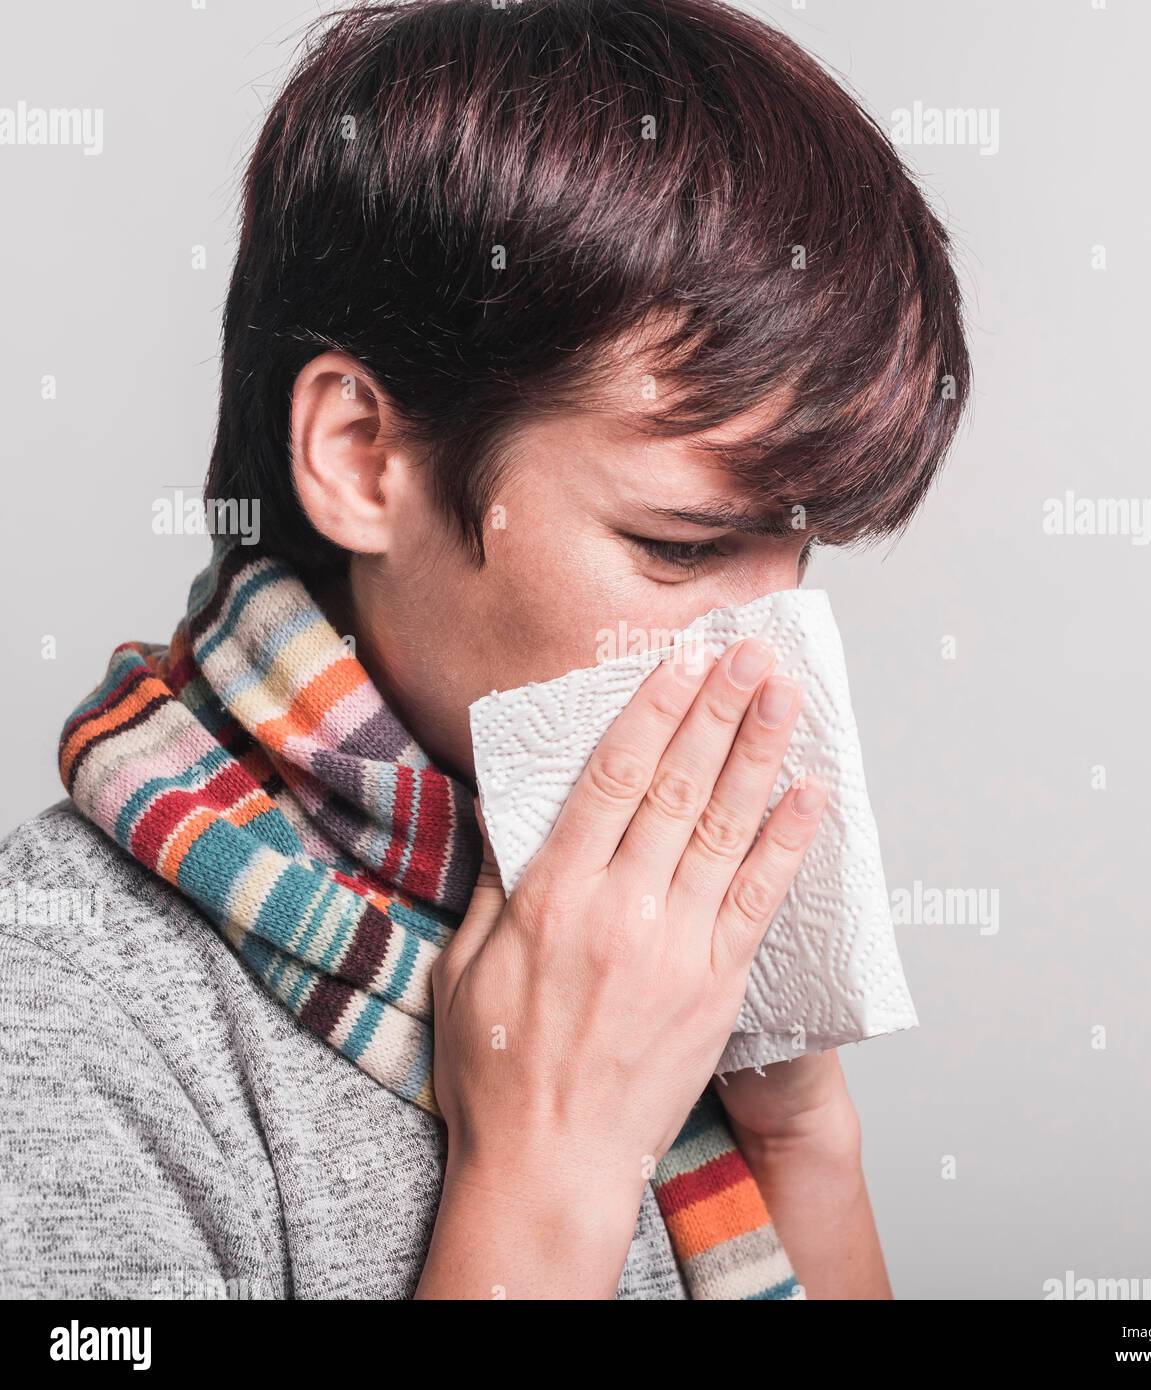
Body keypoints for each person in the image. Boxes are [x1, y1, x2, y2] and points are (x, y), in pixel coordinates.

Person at [0, 0, 968, 1300]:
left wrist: (801, 1138)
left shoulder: (661, 944)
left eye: (800, 558)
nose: (776, 667)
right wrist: (548, 1166)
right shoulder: (65, 1017)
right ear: (363, 456)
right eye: (679, 550)